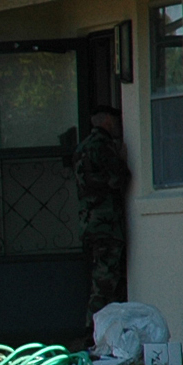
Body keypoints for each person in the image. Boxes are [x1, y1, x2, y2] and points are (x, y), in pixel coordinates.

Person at [75, 105, 131, 320]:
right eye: (115, 120)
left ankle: (99, 327)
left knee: (101, 275)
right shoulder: (102, 146)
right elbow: (119, 179)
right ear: (107, 120)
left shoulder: (82, 148)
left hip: (89, 221)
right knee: (106, 280)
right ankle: (94, 328)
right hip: (106, 222)